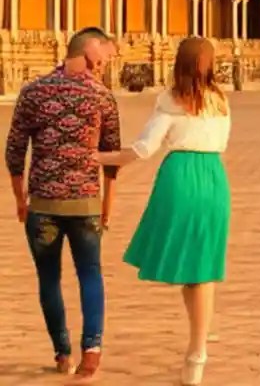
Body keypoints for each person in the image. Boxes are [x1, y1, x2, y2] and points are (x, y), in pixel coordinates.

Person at [96, 36, 231, 386]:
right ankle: (200, 337)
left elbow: (143, 149)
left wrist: (99, 158)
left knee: (194, 270)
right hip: (215, 179)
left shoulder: (171, 100)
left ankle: (197, 351)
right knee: (201, 267)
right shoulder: (221, 100)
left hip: (181, 179)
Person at [5, 27, 121, 379]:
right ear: (88, 48)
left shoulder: (33, 91)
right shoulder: (102, 96)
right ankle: (92, 349)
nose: (105, 64)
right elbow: (111, 159)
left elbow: (14, 151)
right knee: (90, 273)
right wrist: (107, 208)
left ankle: (61, 352)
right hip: (85, 203)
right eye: (103, 55)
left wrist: (20, 198)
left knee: (49, 278)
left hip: (43, 204)